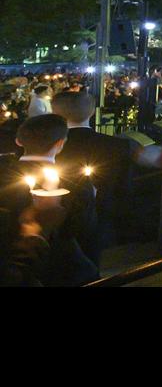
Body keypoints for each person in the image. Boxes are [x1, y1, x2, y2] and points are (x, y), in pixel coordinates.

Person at [0, 115, 99, 286]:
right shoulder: (76, 180)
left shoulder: (4, 171)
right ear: (60, 143)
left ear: (18, 141)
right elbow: (84, 227)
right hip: (61, 265)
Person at [53, 90, 139, 268]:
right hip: (102, 217)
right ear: (92, 111)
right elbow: (125, 188)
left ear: (55, 112)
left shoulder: (49, 146)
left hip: (57, 218)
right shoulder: (118, 146)